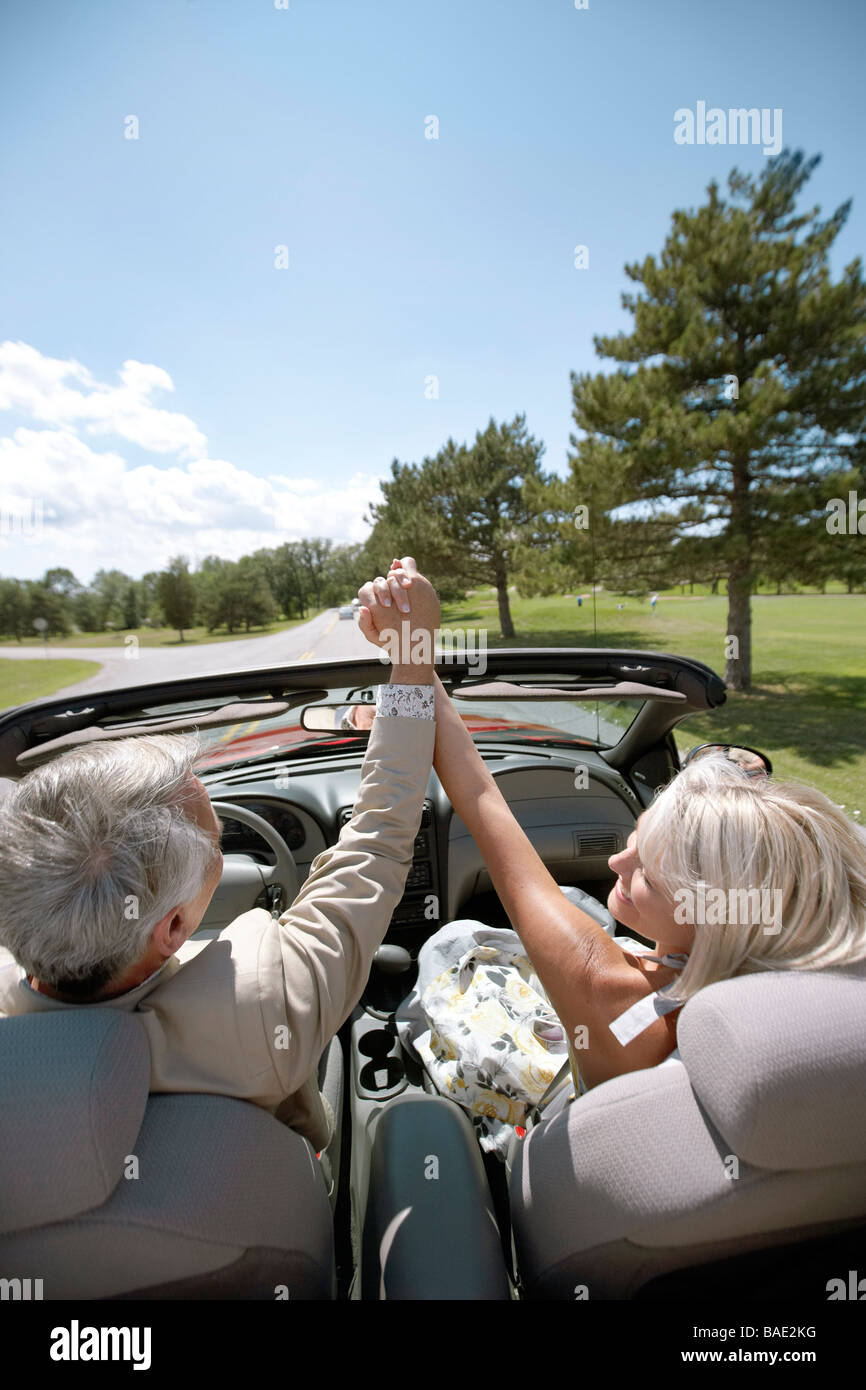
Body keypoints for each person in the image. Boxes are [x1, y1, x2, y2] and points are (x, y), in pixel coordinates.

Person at [362, 558, 866, 1146]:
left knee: (449, 943)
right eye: (634, 842)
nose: (615, 865)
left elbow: (479, 798)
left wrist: (411, 652)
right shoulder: (805, 971)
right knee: (578, 900)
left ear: (720, 918)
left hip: (552, 1138)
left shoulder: (614, 992)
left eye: (647, 873)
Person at [0, 560, 441, 1153]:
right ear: (175, 926)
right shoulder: (264, 1001)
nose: (220, 846)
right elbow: (381, 834)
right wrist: (413, 651)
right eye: (218, 846)